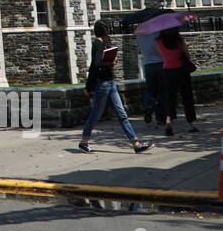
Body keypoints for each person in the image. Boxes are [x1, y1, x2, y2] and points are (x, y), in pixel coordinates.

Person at [78, 22, 152, 154]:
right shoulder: (98, 44)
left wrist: (112, 57)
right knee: (95, 115)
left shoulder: (105, 44)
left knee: (122, 114)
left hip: (111, 83)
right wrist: (89, 86)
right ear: (104, 31)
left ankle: (136, 144)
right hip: (102, 84)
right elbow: (96, 65)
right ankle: (84, 142)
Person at [157, 28, 198, 136]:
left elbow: (162, 55)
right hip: (182, 71)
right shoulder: (179, 40)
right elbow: (188, 56)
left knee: (169, 98)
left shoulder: (159, 41)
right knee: (187, 97)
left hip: (168, 71)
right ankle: (190, 123)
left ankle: (168, 120)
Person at [138, 29, 164, 125]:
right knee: (161, 90)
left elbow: (139, 49)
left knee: (150, 90)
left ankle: (148, 107)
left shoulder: (139, 34)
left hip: (147, 64)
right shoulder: (157, 32)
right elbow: (159, 49)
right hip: (159, 62)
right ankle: (160, 116)